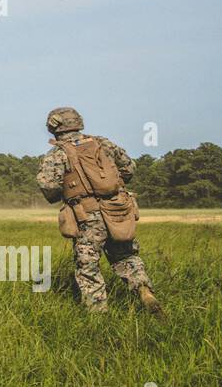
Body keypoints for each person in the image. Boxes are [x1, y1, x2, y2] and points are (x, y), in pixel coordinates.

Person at [36, 107, 161, 315]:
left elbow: (49, 187)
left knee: (88, 266)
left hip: (87, 215)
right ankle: (145, 291)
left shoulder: (57, 154)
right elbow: (129, 168)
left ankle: (98, 314)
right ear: (78, 122)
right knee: (126, 256)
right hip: (118, 209)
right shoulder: (103, 143)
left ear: (54, 126)